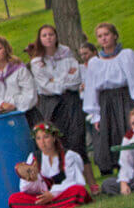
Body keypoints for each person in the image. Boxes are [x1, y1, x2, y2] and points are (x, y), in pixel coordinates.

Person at [84, 22, 134, 175]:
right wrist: (95, 114)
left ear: (114, 36)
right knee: (107, 133)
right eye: (100, 36)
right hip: (105, 101)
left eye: (106, 34)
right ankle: (112, 166)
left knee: (128, 129)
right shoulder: (94, 63)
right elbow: (91, 89)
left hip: (125, 97)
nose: (104, 39)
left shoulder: (126, 55)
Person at [28, 24, 90, 165]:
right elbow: (45, 85)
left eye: (51, 34)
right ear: (40, 38)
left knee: (77, 137)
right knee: (59, 138)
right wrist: (63, 80)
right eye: (44, 35)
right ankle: (64, 174)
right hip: (52, 103)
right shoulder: (37, 61)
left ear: (56, 36)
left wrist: (54, 80)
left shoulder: (66, 53)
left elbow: (75, 80)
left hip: (71, 100)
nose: (48, 38)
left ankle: (87, 176)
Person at [8, 123, 92, 208]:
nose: (42, 142)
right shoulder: (33, 157)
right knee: (14, 198)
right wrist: (30, 179)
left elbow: (74, 181)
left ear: (54, 138)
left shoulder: (68, 156)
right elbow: (25, 190)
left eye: (46, 137)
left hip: (61, 194)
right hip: (42, 198)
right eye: (38, 138)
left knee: (78, 190)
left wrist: (52, 194)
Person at [0, 36, 38, 122]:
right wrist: (1, 105)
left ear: (6, 49)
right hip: (3, 117)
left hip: (25, 115)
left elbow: (29, 92)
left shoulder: (18, 69)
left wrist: (14, 105)